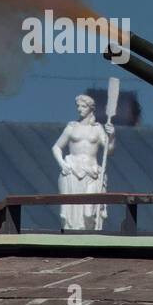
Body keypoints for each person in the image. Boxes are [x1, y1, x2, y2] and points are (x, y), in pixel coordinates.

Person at [52, 94, 115, 231]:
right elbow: (56, 147)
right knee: (68, 217)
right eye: (78, 106)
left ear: (91, 108)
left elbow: (108, 151)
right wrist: (62, 164)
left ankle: (90, 242)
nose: (80, 109)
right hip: (72, 172)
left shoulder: (97, 129)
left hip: (91, 174)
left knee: (88, 214)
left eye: (83, 106)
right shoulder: (72, 127)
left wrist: (112, 135)